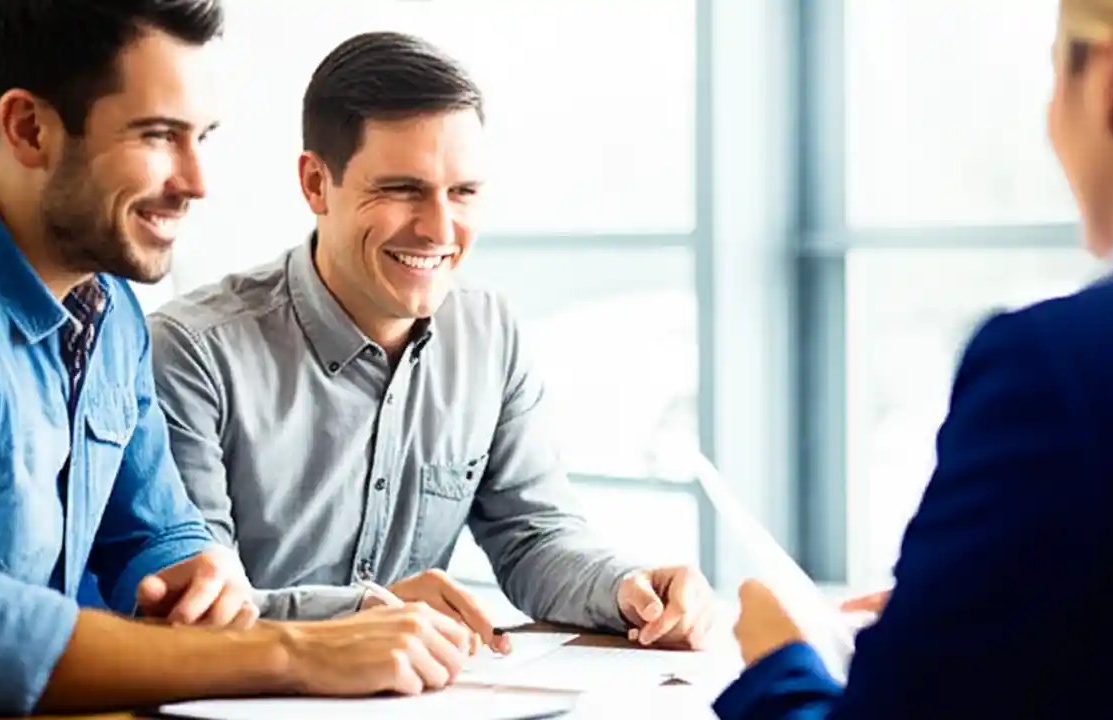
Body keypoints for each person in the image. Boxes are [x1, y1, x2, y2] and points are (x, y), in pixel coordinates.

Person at [0, 2, 479, 714]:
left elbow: (154, 531)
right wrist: (293, 652)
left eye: (203, 137)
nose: (197, 181)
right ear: (29, 128)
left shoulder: (107, 308)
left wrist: (202, 573)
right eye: (158, 136)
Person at [716, 0, 1113, 718]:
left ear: (1109, 75)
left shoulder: (1065, 366)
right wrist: (962, 611)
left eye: (1053, 79)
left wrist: (778, 662)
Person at [149, 30, 717, 651]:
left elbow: (532, 536)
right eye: (402, 190)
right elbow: (199, 606)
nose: (440, 229)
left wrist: (627, 588)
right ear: (316, 184)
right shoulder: (192, 353)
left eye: (464, 192)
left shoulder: (488, 335)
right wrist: (365, 614)